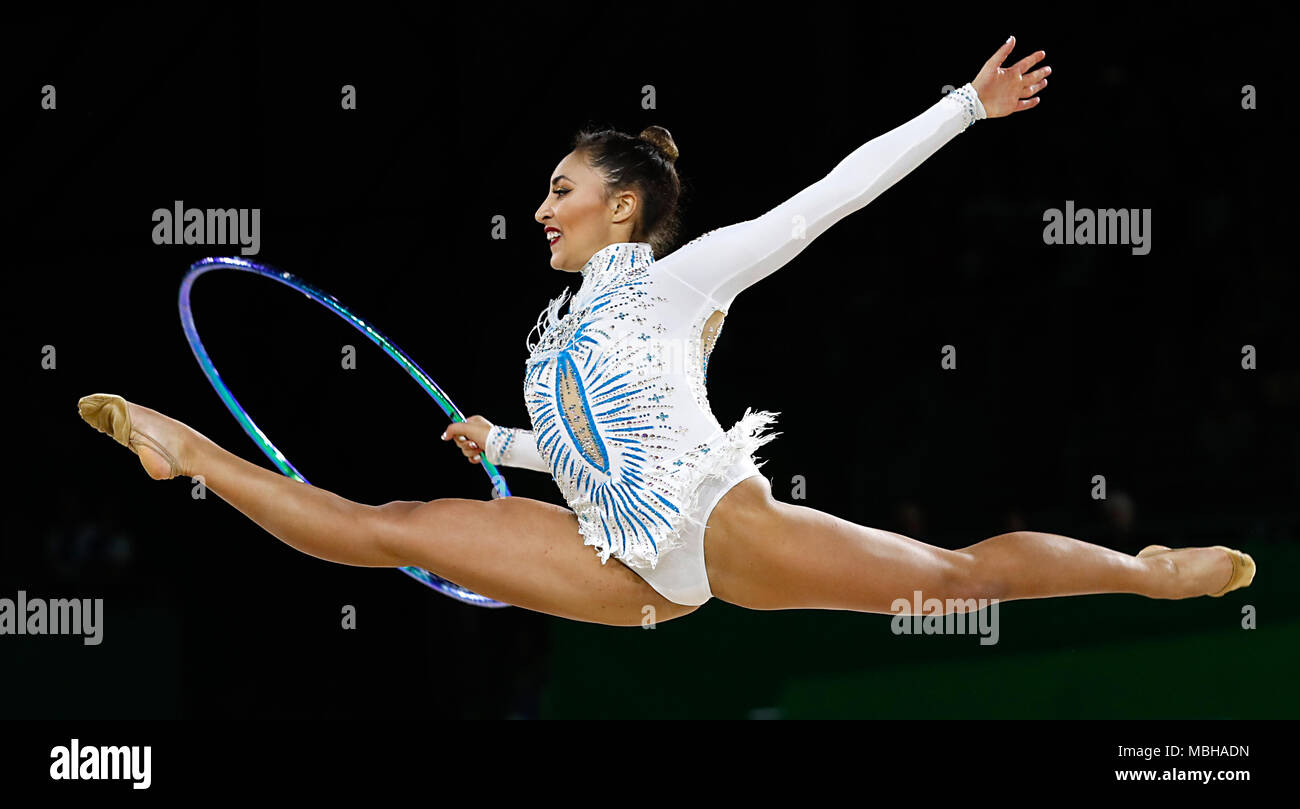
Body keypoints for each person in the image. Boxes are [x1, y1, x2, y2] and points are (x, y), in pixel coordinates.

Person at [78, 37, 1253, 627]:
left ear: (622, 207)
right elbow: (587, 447)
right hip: (612, 556)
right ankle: (191, 451)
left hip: (710, 521)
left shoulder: (685, 279)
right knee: (388, 529)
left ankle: (1143, 572)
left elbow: (829, 198)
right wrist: (505, 443)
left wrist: (964, 106)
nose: (539, 209)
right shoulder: (556, 336)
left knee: (948, 582)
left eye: (560, 190)